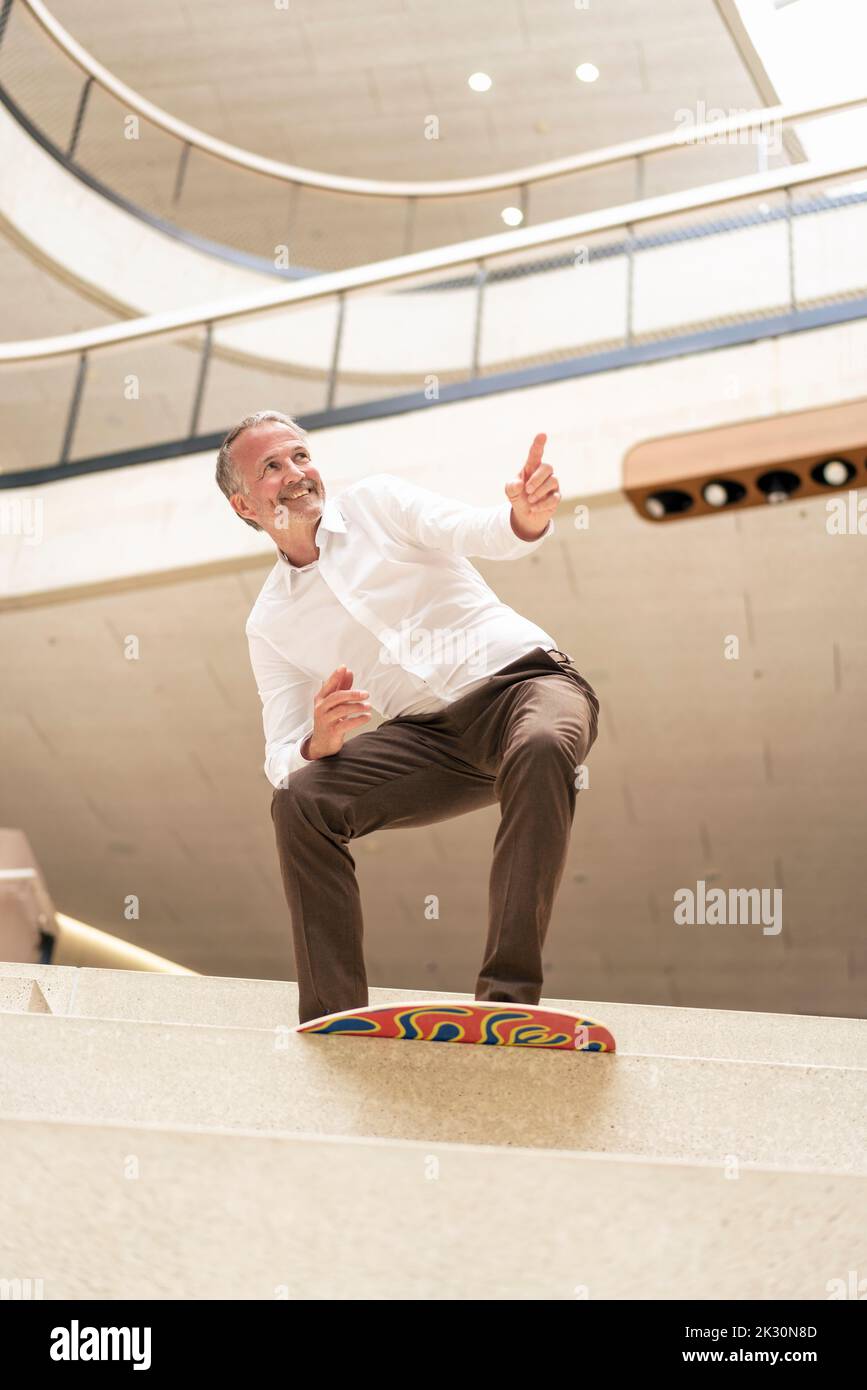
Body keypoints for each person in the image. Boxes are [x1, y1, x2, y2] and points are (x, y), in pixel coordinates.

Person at [216, 409, 600, 1024]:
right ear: (243, 506)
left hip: (527, 686)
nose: (296, 473)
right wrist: (318, 742)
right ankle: (331, 1016)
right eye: (271, 467)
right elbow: (280, 756)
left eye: (300, 456)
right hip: (433, 745)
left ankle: (506, 1001)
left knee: (541, 747)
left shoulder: (377, 504)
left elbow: (481, 531)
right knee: (301, 801)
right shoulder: (270, 623)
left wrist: (524, 517)